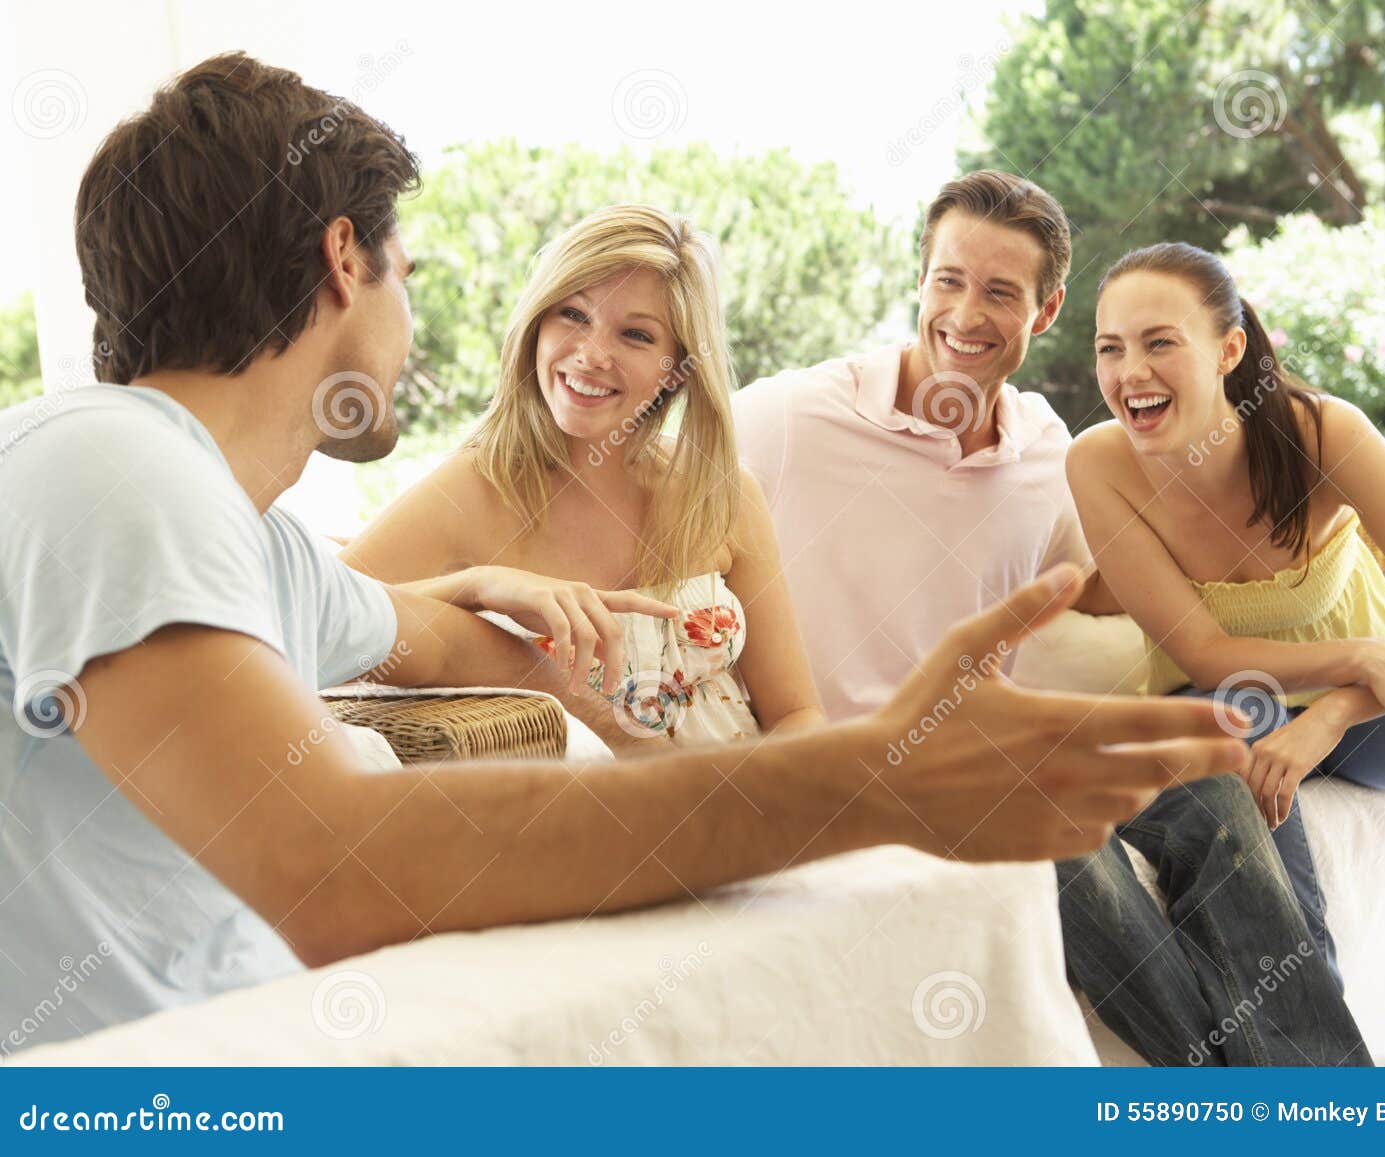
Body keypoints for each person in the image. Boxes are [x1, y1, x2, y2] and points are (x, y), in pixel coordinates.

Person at [0, 54, 1248, 1053]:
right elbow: (337, 867)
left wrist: (495, 604)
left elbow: (435, 638)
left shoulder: (245, 535)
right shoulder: (109, 465)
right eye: (406, 272)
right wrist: (866, 780)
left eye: (639, 335)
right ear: (342, 259)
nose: (413, 313)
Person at [733, 171, 1368, 1065]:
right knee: (1063, 848)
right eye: (949, 280)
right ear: (921, 281)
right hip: (859, 769)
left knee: (1212, 785)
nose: (966, 314)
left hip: (995, 746)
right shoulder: (791, 414)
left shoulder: (1045, 450)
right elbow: (651, 495)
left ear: (1047, 309)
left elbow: (1106, 584)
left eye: (1001, 291)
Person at [1068, 240, 1385, 1066]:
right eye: (1110, 348)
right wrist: (1362, 656)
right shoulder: (1099, 462)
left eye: (1159, 341)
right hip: (1228, 702)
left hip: (1363, 720)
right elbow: (1205, 652)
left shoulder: (1321, 432)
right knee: (1235, 729)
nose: (1129, 371)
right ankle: (1317, 1069)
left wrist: (1334, 712)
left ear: (1229, 348)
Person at [340, 204, 822, 748]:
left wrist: (773, 795)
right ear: (536, 326)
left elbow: (795, 713)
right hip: (576, 803)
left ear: (678, 370)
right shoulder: (472, 488)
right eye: (573, 314)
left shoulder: (723, 492)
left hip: (746, 792)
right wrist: (475, 588)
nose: (592, 356)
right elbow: (310, 627)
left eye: (636, 335)